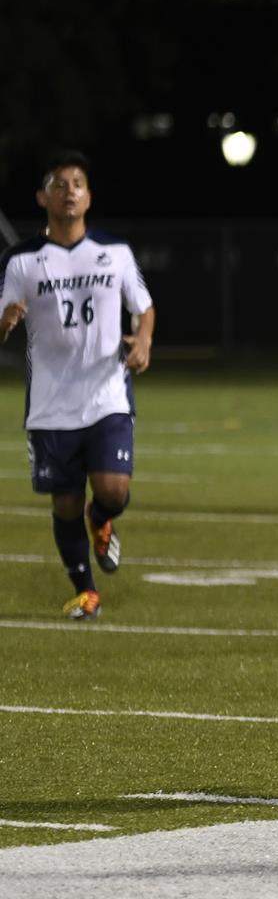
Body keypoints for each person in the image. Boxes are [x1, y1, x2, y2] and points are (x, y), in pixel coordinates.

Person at [0, 151, 156, 620]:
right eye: (58, 183)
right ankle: (86, 591)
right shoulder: (21, 261)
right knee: (65, 503)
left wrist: (143, 339)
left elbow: (143, 307)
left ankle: (102, 519)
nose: (68, 190)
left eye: (77, 184)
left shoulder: (115, 253)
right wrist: (6, 321)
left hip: (107, 393)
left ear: (88, 198)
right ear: (42, 197)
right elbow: (1, 318)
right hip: (50, 404)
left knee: (111, 490)